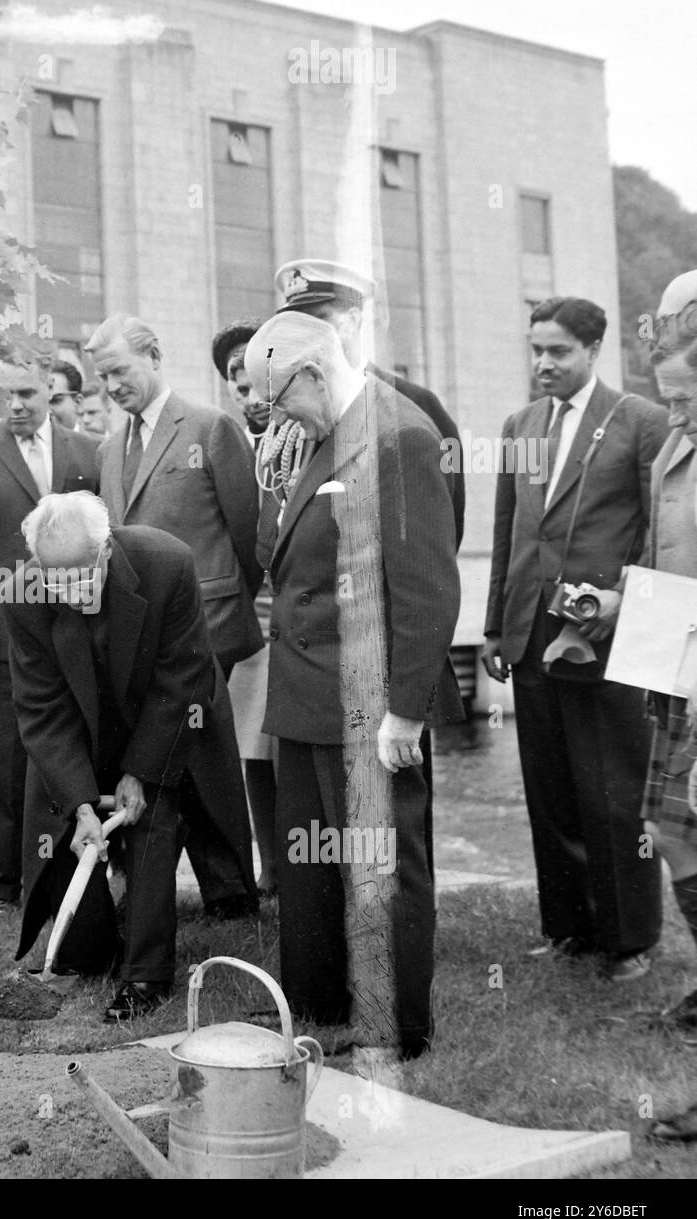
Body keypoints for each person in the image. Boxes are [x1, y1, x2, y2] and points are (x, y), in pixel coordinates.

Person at [244, 311, 459, 1059]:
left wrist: (405, 712)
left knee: (379, 862)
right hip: (306, 693)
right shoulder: (319, 434)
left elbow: (427, 589)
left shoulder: (397, 437)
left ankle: (397, 1026)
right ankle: (321, 1001)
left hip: (369, 703)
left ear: (309, 372)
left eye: (277, 400)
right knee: (307, 861)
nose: (275, 419)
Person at [7, 492, 253, 1022]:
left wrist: (140, 772)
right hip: (81, 719)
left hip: (163, 710)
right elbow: (43, 708)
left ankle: (146, 975)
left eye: (79, 577)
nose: (67, 593)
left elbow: (180, 676)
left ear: (107, 551)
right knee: (73, 828)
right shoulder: (25, 591)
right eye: (55, 580)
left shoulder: (167, 564)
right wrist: (79, 804)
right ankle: (88, 950)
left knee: (153, 823)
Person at [483, 296, 667, 982]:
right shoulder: (520, 423)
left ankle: (629, 940)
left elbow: (659, 530)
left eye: (558, 350)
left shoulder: (640, 421)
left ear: (593, 349)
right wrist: (498, 626)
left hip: (605, 640)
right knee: (551, 790)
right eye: (536, 350)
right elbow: (510, 531)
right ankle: (568, 928)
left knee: (611, 792)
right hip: (531, 637)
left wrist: (630, 601)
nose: (543, 363)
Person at [87, 312, 260, 920]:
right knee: (160, 753)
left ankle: (233, 890)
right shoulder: (110, 448)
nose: (110, 387)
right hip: (139, 637)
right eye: (102, 378)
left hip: (207, 630)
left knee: (209, 757)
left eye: (119, 371)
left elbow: (250, 538)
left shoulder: (212, 428)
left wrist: (233, 613)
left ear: (154, 355)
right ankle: (153, 880)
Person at [0, 359, 101, 914]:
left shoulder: (87, 452)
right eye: (5, 395)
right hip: (0, 633)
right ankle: (2, 882)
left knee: (71, 751)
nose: (16, 404)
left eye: (28, 393)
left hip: (76, 628)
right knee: (2, 757)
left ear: (50, 393)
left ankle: (69, 871)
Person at [626, 269, 697, 1143]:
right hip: (676, 672)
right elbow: (663, 561)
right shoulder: (673, 445)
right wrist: (611, 614)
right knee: (675, 832)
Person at [272, 258, 465, 545]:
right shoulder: (291, 412)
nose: (303, 336)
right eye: (296, 325)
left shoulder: (413, 403)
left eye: (317, 321)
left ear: (352, 321)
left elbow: (441, 524)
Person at [209, 318, 279, 895]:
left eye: (250, 371)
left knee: (296, 752)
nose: (242, 386)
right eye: (233, 376)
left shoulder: (307, 433)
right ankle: (272, 867)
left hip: (301, 615)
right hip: (250, 620)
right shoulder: (232, 443)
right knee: (252, 747)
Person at [48, 359, 82, 432]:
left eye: (55, 401)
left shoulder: (99, 443)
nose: (47, 411)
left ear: (77, 402)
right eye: (41, 402)